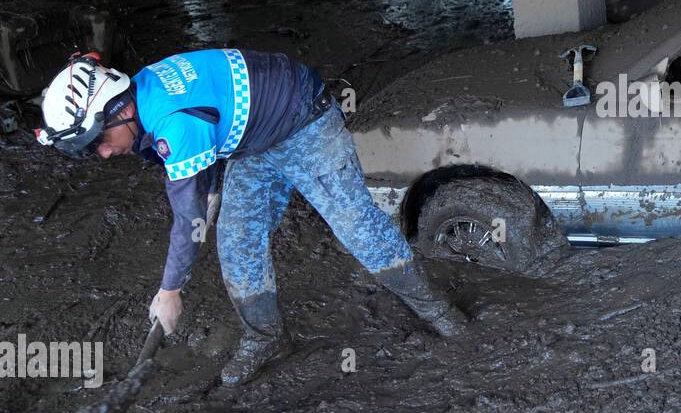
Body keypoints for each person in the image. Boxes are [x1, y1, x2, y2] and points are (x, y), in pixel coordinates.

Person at [36, 50, 467, 385]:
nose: (105, 153)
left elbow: (187, 222)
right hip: (252, 138)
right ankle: (264, 336)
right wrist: (211, 183)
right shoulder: (144, 94)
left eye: (101, 141)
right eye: (93, 149)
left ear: (118, 110)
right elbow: (214, 123)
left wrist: (170, 291)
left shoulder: (174, 123)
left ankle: (439, 311)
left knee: (356, 226)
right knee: (237, 238)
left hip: (304, 119)